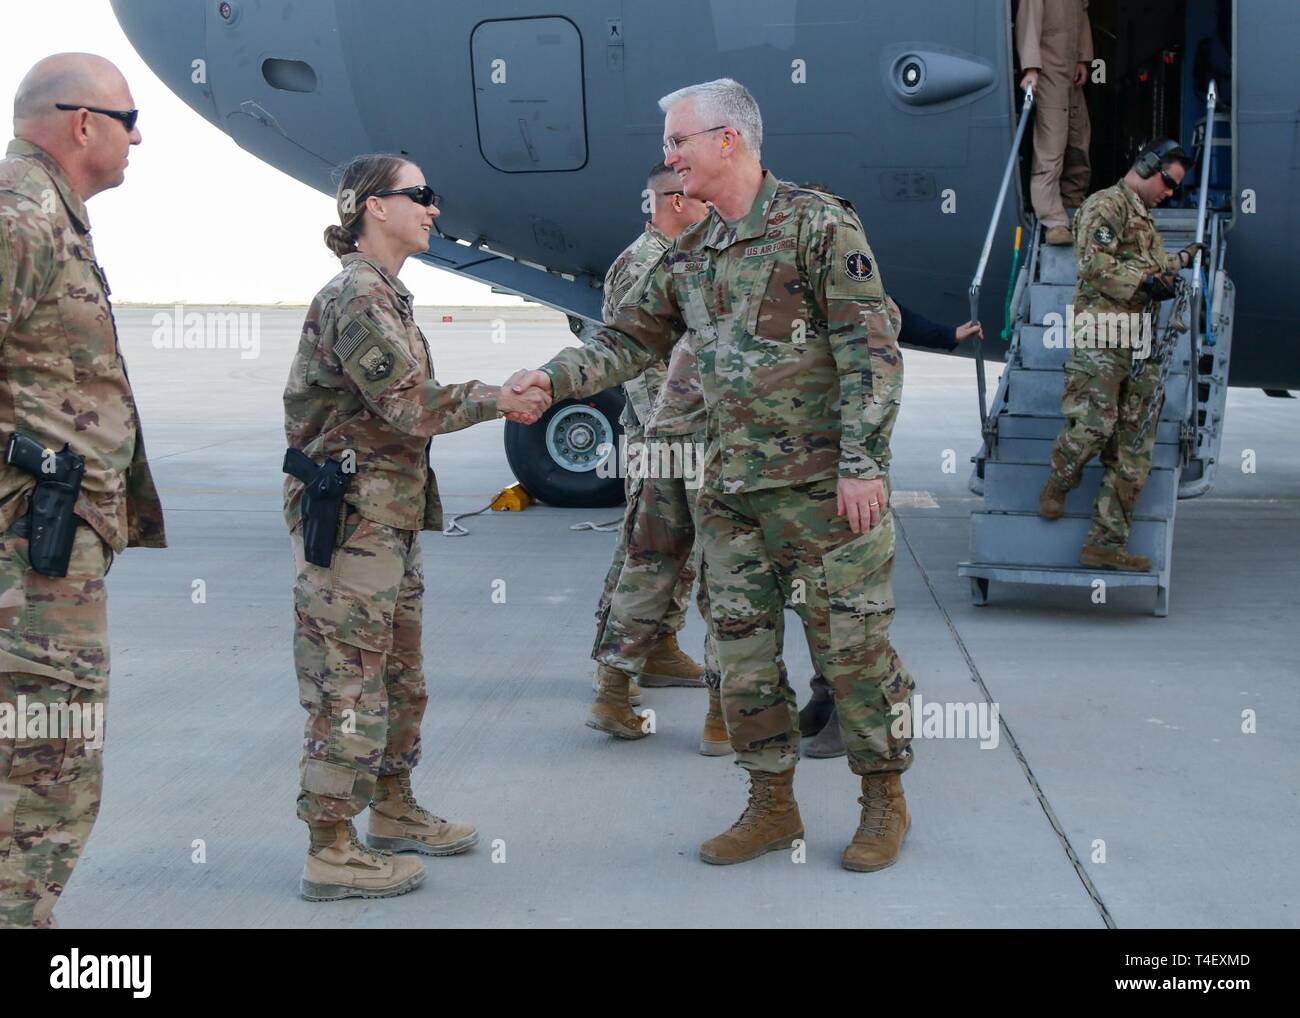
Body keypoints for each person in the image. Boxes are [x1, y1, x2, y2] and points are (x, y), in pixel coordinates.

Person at [506, 79, 916, 872]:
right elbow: (626, 340)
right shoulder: (691, 254)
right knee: (743, 660)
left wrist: (864, 465)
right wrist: (549, 382)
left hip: (823, 496)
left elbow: (872, 351)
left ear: (728, 140)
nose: (668, 156)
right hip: (729, 497)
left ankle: (883, 804)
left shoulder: (818, 225)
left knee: (854, 658)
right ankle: (771, 806)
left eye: (679, 141)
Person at [285, 153, 547, 901]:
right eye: (421, 195)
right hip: (353, 525)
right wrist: (501, 396)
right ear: (374, 206)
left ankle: (393, 810)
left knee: (400, 677)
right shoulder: (357, 297)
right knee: (347, 683)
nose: (434, 209)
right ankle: (330, 848)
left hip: (388, 518)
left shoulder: (389, 295)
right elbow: (408, 403)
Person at [0, 53, 166, 929]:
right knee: (47, 763)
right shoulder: (19, 217)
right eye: (129, 117)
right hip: (26, 559)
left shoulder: (48, 216)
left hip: (51, 546)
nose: (139, 135)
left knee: (42, 756)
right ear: (81, 124)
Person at [800, 300, 982, 757]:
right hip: (792, 470)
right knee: (809, 596)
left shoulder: (841, 263)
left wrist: (861, 467)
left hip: (841, 473)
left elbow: (881, 352)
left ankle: (866, 708)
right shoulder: (781, 260)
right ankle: (826, 696)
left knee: (850, 604)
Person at [582, 163, 721, 747]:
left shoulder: (681, 256)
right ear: (680, 200)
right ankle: (630, 678)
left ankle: (652, 654)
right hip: (669, 437)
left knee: (666, 560)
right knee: (659, 558)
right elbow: (627, 353)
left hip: (680, 432)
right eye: (705, 202)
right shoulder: (648, 262)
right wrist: (663, 432)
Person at [1037, 139, 1204, 571]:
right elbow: (1093, 263)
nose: (1171, 192)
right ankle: (1060, 478)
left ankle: (1106, 543)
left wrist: (1178, 261)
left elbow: (1144, 263)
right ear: (1147, 166)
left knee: (1134, 446)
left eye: (1176, 188)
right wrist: (1147, 284)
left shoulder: (1144, 219)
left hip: (1140, 342)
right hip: (1102, 336)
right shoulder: (1105, 205)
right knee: (1095, 425)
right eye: (1169, 181)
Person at [1017, 0, 1094, 245]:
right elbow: (1028, 23)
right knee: (1052, 143)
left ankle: (1072, 206)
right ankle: (1053, 221)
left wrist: (1083, 59)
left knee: (1078, 140)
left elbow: (1082, 17)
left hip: (1070, 72)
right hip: (1048, 71)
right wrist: (1031, 68)